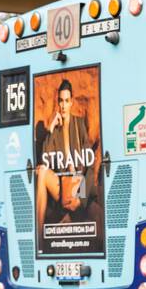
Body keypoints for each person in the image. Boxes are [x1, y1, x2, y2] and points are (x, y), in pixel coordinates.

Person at [34, 78, 102, 239]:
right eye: (60, 101)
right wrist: (50, 129)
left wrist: (82, 199)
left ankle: (73, 212)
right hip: (61, 188)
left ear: (71, 102)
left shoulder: (79, 125)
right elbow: (45, 159)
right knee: (42, 171)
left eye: (66, 101)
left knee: (98, 217)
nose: (63, 105)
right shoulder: (55, 129)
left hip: (78, 189)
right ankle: (38, 237)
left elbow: (89, 165)